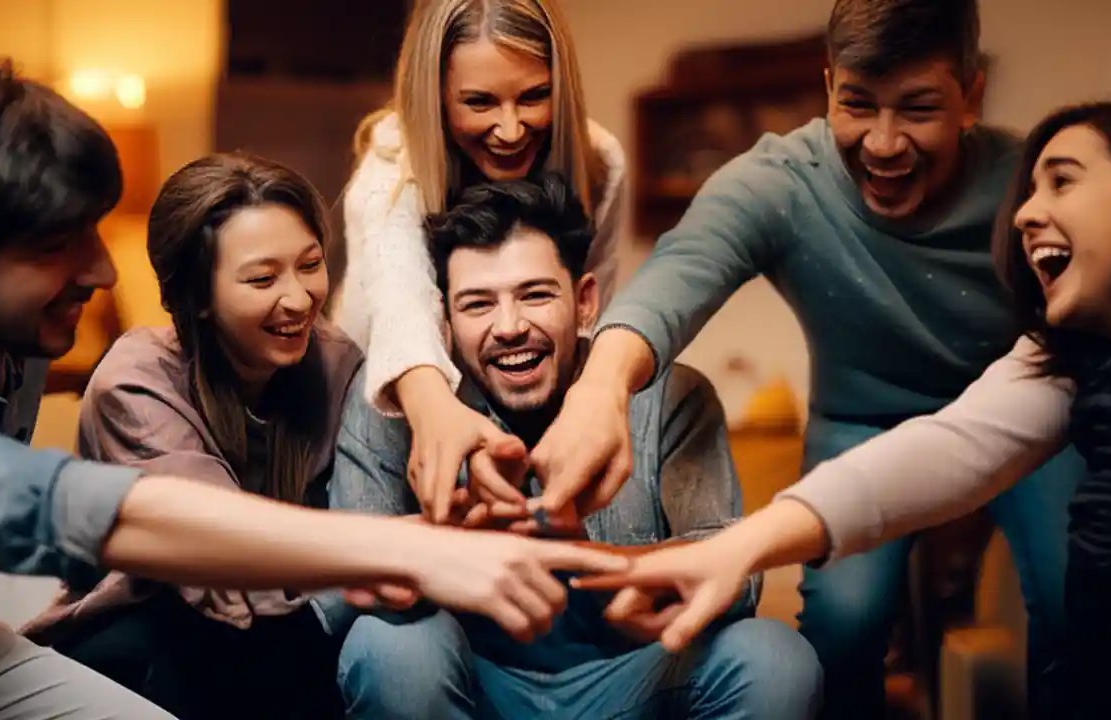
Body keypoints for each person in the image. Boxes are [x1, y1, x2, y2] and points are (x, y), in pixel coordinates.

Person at [0, 61, 626, 720]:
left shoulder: (7, 327)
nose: (102, 271)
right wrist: (410, 549)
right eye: (57, 248)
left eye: (309, 265)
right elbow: (70, 506)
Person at [527, 0, 1086, 716]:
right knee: (843, 628)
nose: (884, 143)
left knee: (1079, 596)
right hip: (861, 420)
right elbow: (679, 272)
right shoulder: (780, 182)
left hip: (1024, 420)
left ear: (971, 95)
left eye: (918, 109)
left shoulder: (1029, 189)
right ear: (828, 87)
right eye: (858, 104)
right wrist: (600, 387)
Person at [329, 174, 822, 720]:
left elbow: (737, 582)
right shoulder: (394, 402)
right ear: (443, 321)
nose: (510, 327)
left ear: (585, 302)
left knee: (774, 658)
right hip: (473, 680)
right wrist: (454, 545)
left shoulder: (670, 397)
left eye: (536, 295)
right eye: (478, 305)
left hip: (633, 677)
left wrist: (584, 556)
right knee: (389, 646)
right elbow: (342, 588)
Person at [19, 153, 362, 718]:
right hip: (149, 629)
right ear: (196, 296)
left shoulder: (338, 364)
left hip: (291, 631)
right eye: (263, 278)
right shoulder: (138, 378)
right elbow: (221, 550)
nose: (300, 299)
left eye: (310, 265)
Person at [335, 0, 627, 526]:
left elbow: (589, 321)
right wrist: (436, 413)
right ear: (435, 98)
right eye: (479, 102)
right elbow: (402, 310)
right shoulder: (389, 170)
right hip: (391, 409)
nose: (511, 130)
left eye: (534, 96)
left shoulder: (599, 162)